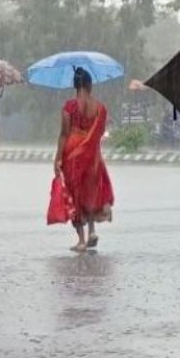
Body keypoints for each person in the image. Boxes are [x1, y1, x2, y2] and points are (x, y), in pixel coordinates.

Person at [54, 67, 114, 252]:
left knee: (75, 195)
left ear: (74, 85)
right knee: (91, 192)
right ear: (89, 84)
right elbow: (101, 132)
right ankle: (92, 231)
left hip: (72, 154)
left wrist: (57, 158)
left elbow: (64, 134)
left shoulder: (69, 107)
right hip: (92, 155)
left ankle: (81, 240)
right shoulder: (100, 108)